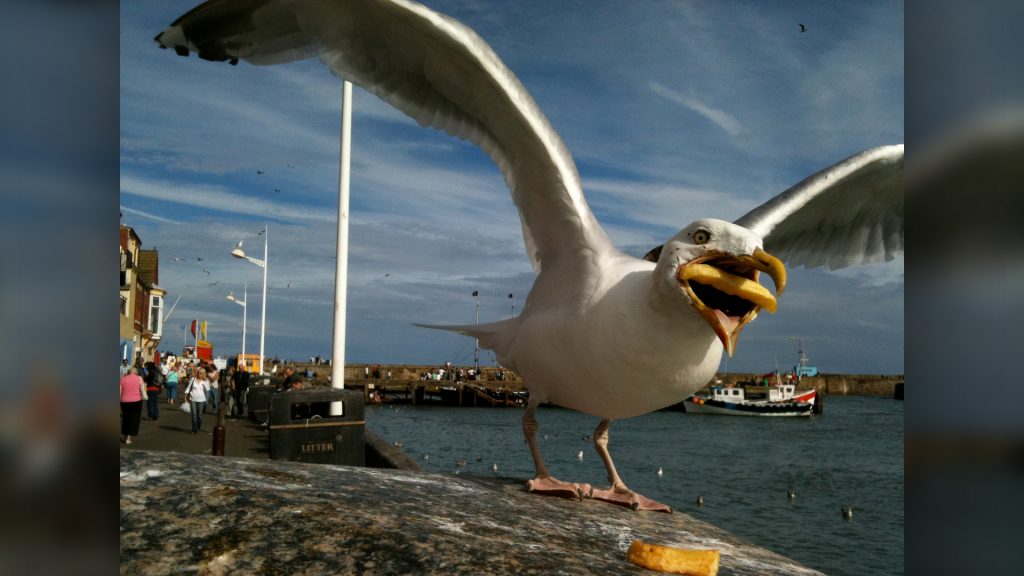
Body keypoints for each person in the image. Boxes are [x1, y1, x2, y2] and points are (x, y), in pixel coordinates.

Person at [120, 366, 147, 445]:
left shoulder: (123, 379)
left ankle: (125, 435)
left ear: (128, 372)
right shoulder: (139, 378)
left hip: (124, 401)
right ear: (136, 372)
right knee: (134, 419)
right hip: (136, 401)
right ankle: (128, 437)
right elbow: (143, 389)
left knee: (126, 418)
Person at [185, 367, 210, 434]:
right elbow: (188, 388)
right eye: (198, 373)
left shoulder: (204, 381)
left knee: (199, 416)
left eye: (201, 373)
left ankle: (198, 426)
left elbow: (208, 390)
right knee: (194, 414)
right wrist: (185, 397)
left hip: (201, 400)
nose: (199, 374)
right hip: (193, 399)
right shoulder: (193, 379)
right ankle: (194, 429)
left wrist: (206, 381)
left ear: (203, 374)